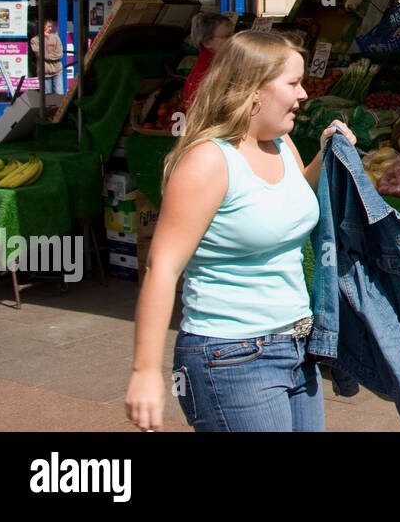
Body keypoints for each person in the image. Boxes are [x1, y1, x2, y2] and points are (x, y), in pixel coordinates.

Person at [124, 30, 355, 432]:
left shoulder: (281, 142)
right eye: (293, 83)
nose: (303, 95)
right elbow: (161, 268)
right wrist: (145, 371)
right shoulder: (208, 161)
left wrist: (326, 153)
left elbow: (291, 199)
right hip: (231, 357)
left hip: (297, 347)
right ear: (254, 91)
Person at [183, 13, 235, 106]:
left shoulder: (219, 63)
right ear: (207, 42)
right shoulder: (208, 71)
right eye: (227, 36)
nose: (233, 39)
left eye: (233, 34)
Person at [29, 20, 64, 95]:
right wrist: (52, 55)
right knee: (47, 96)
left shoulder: (56, 38)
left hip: (57, 71)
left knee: (59, 94)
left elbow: (60, 54)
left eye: (51, 27)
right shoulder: (35, 40)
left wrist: (47, 55)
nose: (50, 29)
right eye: (49, 26)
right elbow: (40, 54)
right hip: (44, 72)